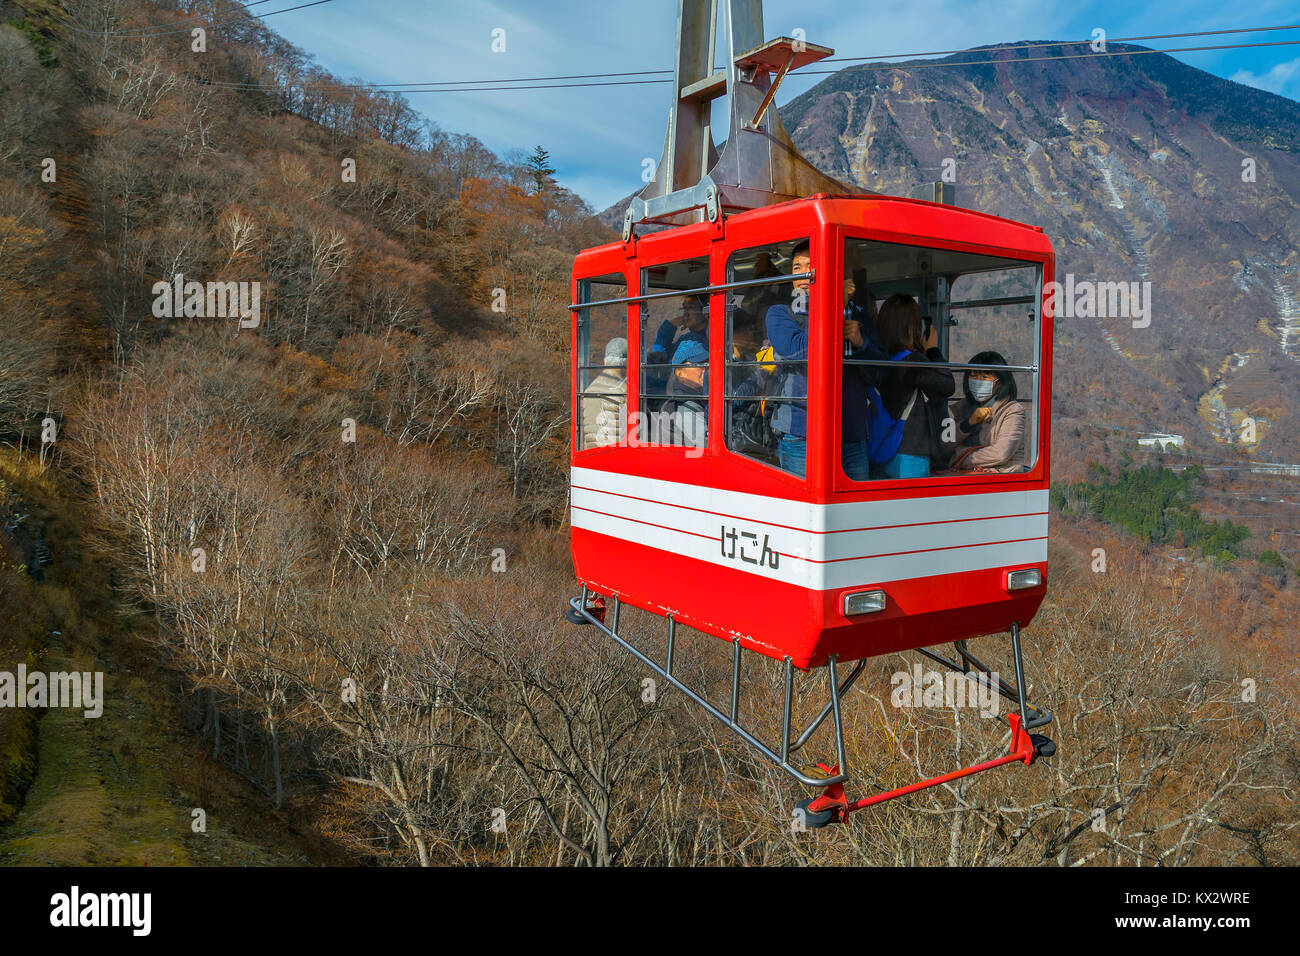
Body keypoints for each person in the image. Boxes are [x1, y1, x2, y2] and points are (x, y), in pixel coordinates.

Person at [765, 241, 888, 479]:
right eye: (797, 267)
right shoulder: (780, 313)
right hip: (801, 433)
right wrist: (832, 305)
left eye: (811, 266)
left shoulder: (857, 314)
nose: (803, 274)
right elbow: (800, 353)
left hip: (851, 434)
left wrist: (862, 344)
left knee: (853, 511)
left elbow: (880, 373)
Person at [872, 294, 955, 479]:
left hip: (879, 446)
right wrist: (933, 350)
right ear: (912, 327)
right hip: (909, 451)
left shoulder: (877, 358)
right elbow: (946, 386)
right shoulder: (913, 361)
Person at [945, 350, 1026, 473]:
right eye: (973, 375)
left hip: (1002, 480)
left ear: (999, 382)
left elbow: (1001, 454)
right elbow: (943, 445)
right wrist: (967, 425)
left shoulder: (1013, 411)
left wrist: (958, 456)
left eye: (985, 377)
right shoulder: (959, 408)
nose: (978, 381)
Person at [581, 337, 627, 448]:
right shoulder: (624, 391)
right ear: (627, 363)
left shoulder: (589, 390)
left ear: (605, 360)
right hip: (616, 458)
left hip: (590, 456)